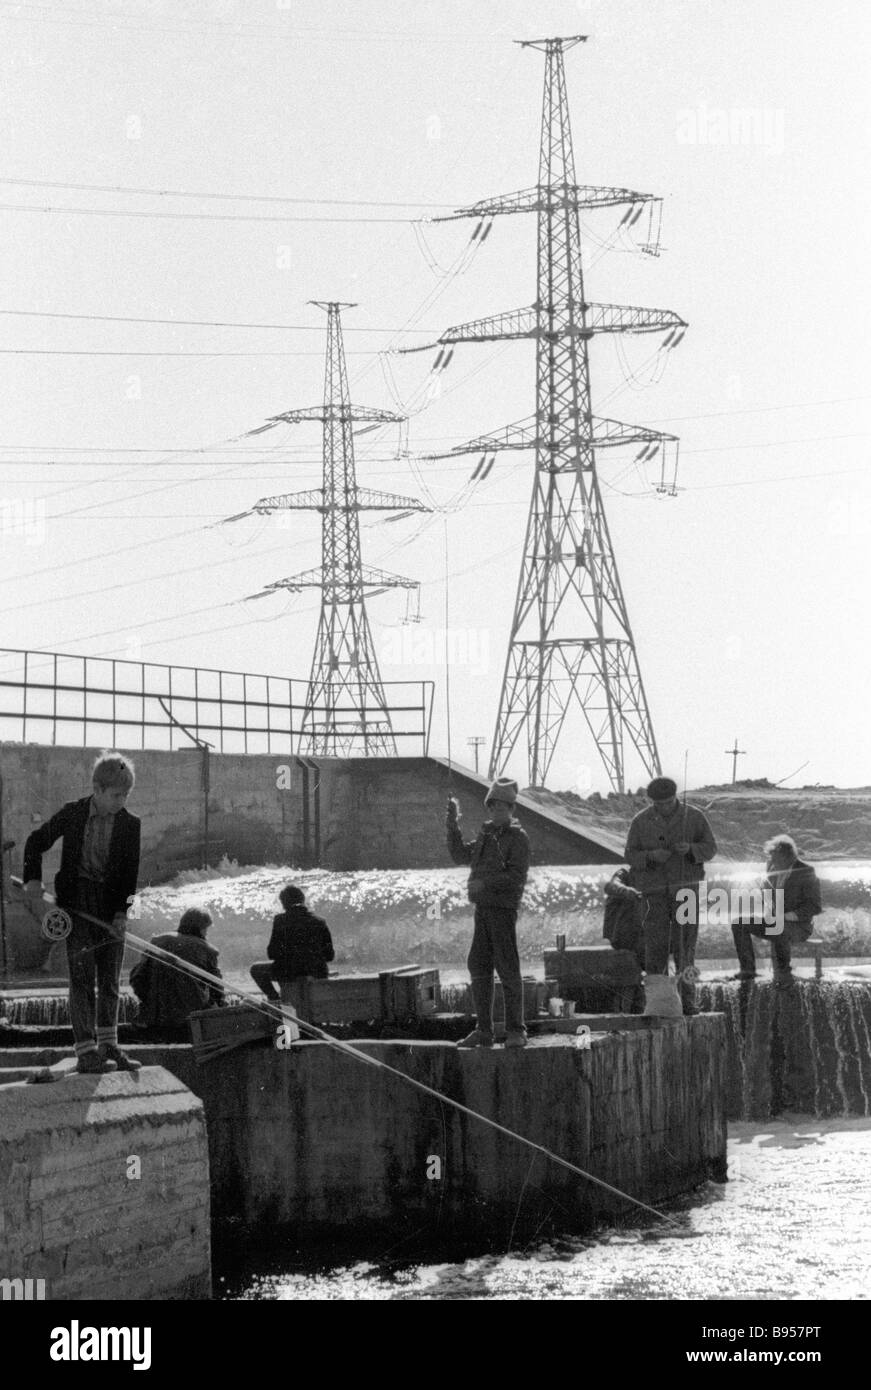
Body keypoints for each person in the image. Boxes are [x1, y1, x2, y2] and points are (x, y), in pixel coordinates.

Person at [23, 751, 141, 1074]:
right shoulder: (73, 814)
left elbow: (131, 875)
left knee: (111, 981)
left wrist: (122, 914)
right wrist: (33, 879)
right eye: (116, 795)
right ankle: (86, 1052)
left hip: (111, 907)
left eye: (126, 795)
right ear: (98, 789)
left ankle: (109, 1045)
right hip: (77, 906)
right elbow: (36, 841)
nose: (122, 801)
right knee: (82, 979)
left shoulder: (131, 825)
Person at [446, 777, 530, 1049]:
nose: (497, 810)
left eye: (502, 807)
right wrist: (452, 825)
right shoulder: (485, 834)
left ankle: (516, 1030)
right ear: (489, 807)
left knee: (507, 967)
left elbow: (516, 877)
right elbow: (460, 855)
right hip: (483, 909)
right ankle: (484, 1031)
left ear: (511, 809)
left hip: (503, 910)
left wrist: (485, 883)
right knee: (478, 964)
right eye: (493, 806)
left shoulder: (518, 838)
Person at [624, 775, 717, 1016]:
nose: (663, 807)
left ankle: (688, 1001)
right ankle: (659, 1004)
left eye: (667, 802)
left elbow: (711, 849)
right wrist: (651, 856)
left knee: (687, 949)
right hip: (654, 894)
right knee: (655, 950)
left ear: (675, 797)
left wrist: (692, 850)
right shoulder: (640, 821)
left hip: (686, 892)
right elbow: (630, 856)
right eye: (658, 803)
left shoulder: (694, 817)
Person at [731, 834, 822, 986]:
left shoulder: (806, 871)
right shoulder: (772, 869)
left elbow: (814, 906)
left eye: (775, 858)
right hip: (776, 921)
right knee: (739, 923)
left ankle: (784, 972)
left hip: (800, 926)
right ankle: (748, 970)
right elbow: (767, 898)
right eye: (771, 858)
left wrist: (787, 916)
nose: (772, 862)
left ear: (788, 857)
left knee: (779, 927)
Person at [130, 907, 223, 1040]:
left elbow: (136, 978)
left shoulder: (157, 941)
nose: (206, 933)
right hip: (190, 1021)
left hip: (155, 1019)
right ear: (201, 929)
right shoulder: (209, 950)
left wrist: (150, 1002)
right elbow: (217, 989)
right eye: (206, 929)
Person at [250, 884, 334, 1013]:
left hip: (290, 973)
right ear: (302, 899)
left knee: (256, 969)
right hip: (317, 972)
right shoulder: (320, 921)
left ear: (284, 903)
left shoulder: (280, 920)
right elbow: (330, 955)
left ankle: (274, 998)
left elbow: (272, 953)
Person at [603, 866, 644, 970]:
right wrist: (627, 891)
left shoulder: (660, 874)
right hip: (626, 934)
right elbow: (611, 886)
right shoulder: (624, 873)